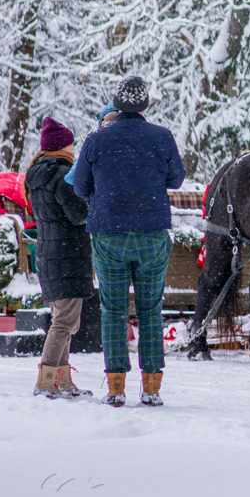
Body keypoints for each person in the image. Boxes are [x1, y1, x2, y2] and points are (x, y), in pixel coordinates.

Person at [73, 76, 185, 407]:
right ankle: (151, 387)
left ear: (117, 103)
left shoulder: (97, 141)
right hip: (151, 232)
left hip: (109, 234)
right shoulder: (162, 138)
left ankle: (116, 386)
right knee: (151, 309)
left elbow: (80, 186)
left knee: (113, 309)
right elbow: (176, 179)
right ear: (145, 104)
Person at [26, 117, 94, 399]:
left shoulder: (36, 175)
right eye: (70, 143)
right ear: (61, 146)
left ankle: (62, 381)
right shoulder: (63, 175)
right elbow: (77, 215)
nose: (73, 148)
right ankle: (46, 379)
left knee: (64, 318)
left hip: (49, 252)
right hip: (68, 252)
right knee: (64, 321)